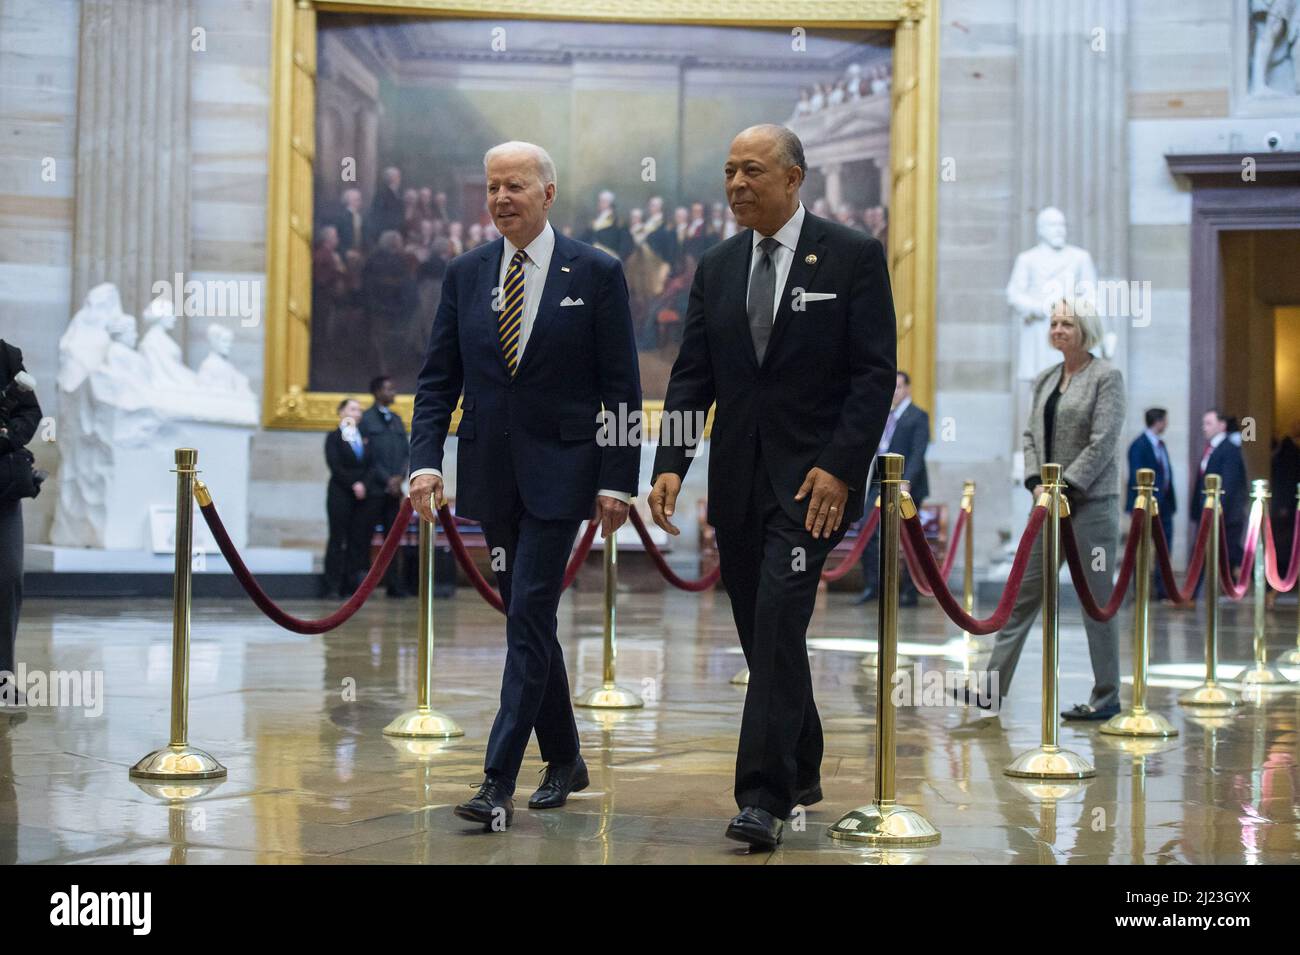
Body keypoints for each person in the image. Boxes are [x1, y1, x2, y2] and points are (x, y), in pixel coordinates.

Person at [648, 124, 896, 850]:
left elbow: (873, 373)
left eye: (752, 170)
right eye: (728, 171)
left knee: (781, 617)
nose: (735, 185)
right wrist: (671, 461)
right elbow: (694, 373)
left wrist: (843, 464)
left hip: (814, 483)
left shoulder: (851, 255)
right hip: (737, 483)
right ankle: (804, 763)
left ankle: (763, 795)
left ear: (793, 178)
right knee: (765, 634)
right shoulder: (718, 265)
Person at [408, 140, 641, 830]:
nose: (501, 198)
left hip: (563, 477)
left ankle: (496, 777)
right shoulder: (465, 272)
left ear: (548, 192)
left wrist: (618, 481)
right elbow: (436, 379)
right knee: (527, 619)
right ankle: (566, 756)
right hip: (489, 474)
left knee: (530, 611)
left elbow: (621, 386)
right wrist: (425, 460)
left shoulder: (596, 271)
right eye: (491, 187)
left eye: (515, 185)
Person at [960, 298, 1125, 721]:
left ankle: (1106, 696)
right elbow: (1031, 436)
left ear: (1085, 328)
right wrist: (1038, 484)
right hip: (1048, 505)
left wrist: (1063, 485)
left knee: (1097, 602)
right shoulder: (1046, 378)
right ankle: (992, 690)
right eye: (1053, 322)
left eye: (1066, 323)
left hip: (1089, 505)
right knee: (1021, 597)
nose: (1057, 329)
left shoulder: (1107, 377)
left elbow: (1104, 441)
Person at [855, 369, 929, 605]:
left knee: (909, 538)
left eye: (897, 387)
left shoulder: (918, 416)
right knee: (866, 529)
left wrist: (907, 480)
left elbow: (918, 453)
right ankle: (873, 586)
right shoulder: (883, 416)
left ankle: (909, 590)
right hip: (879, 484)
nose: (893, 392)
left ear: (907, 388)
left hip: (907, 486)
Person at [0, 340, 42, 711]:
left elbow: (30, 412)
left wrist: (6, 436)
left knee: (7, 578)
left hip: (2, 489)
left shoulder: (7, 354)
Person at [360, 376, 412, 597]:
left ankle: (394, 584)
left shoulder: (397, 420)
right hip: (374, 489)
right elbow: (368, 456)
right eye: (389, 389)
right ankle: (360, 586)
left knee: (393, 541)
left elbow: (406, 451)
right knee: (364, 537)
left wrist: (400, 477)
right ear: (377, 391)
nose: (393, 393)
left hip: (394, 490)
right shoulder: (366, 419)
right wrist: (386, 479)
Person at [323, 398, 377, 598]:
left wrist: (364, 483)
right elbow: (335, 465)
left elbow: (372, 464)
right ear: (341, 412)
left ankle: (352, 586)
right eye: (352, 409)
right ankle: (332, 586)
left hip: (362, 495)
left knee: (358, 540)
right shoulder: (334, 437)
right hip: (341, 493)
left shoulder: (365, 437)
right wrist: (353, 484)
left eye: (359, 410)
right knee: (338, 539)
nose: (357, 413)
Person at [1126, 408, 1177, 601]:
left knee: (1164, 549)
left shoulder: (1160, 445)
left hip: (1164, 507)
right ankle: (1141, 589)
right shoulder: (1139, 445)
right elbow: (1136, 477)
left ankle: (1163, 589)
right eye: (1165, 420)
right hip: (1146, 506)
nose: (1167, 424)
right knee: (1141, 547)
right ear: (1158, 421)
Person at [1192, 408, 1249, 572]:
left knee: (1231, 552)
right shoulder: (1211, 449)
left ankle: (1267, 582)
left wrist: (1215, 509)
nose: (1204, 427)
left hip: (1226, 513)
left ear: (1222, 425)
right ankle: (1192, 595)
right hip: (1209, 510)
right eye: (1204, 423)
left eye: (1209, 423)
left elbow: (1229, 484)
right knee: (1201, 551)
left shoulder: (1229, 449)